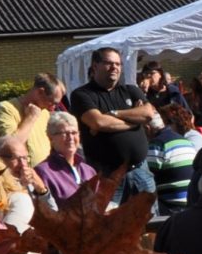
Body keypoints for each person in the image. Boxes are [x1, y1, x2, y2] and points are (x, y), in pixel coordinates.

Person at [66, 48, 154, 178]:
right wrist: (135, 123)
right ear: (95, 66)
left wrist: (114, 114)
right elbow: (98, 122)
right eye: (109, 63)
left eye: (118, 64)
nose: (114, 67)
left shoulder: (131, 90)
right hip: (107, 174)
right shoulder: (82, 95)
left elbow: (148, 114)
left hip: (141, 171)